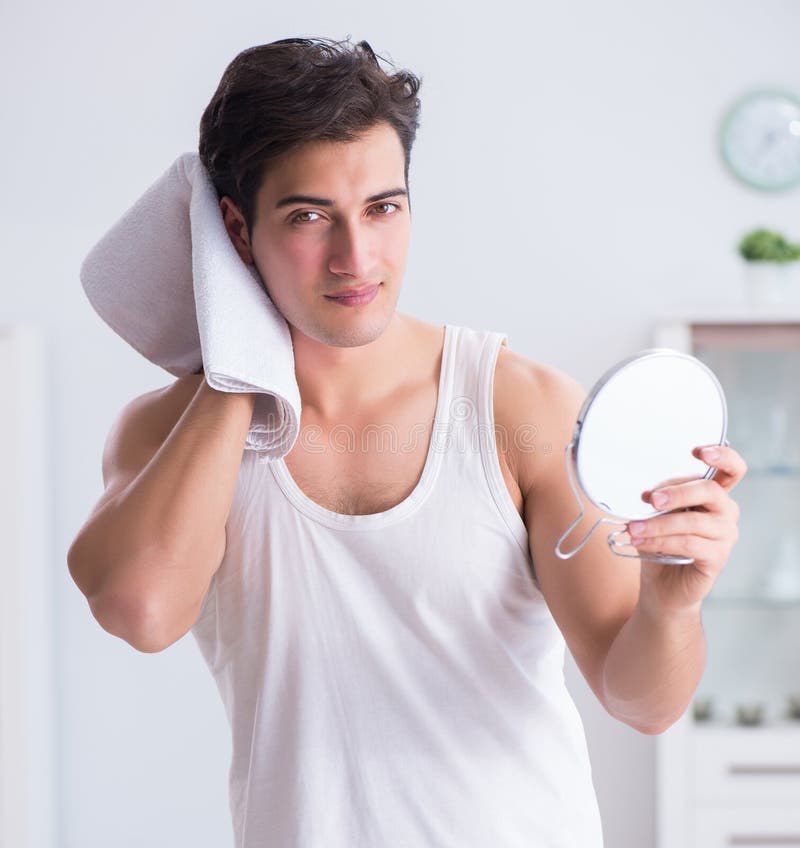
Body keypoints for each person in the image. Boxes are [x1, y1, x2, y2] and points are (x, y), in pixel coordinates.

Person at [67, 36, 746, 848]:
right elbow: (140, 611)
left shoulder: (514, 404)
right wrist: (238, 368)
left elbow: (642, 701)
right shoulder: (167, 433)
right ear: (235, 233)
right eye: (310, 216)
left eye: (383, 208)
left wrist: (673, 606)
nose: (357, 258)